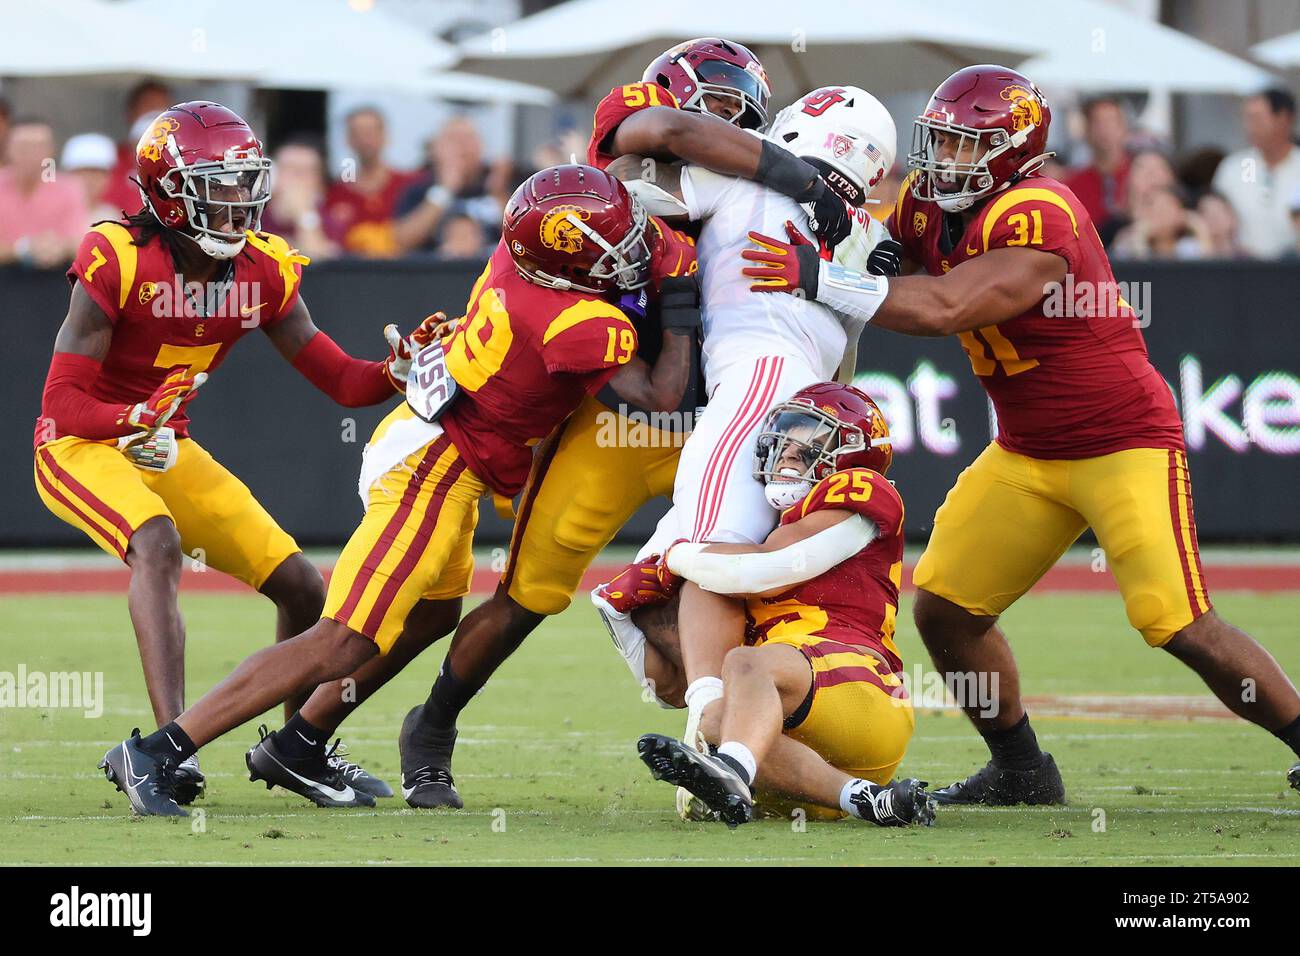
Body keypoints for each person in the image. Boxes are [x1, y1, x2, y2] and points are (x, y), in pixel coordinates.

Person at [743, 64, 1300, 803]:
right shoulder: (927, 204)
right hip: (1030, 452)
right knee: (946, 605)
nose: (945, 161)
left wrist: (817, 277)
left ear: (1012, 153)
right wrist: (851, 237)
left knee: (1179, 622)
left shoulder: (1041, 212)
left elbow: (945, 305)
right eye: (939, 143)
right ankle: (1022, 770)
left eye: (966, 147)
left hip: (1121, 443)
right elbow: (892, 259)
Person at [98, 163, 700, 817]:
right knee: (342, 639)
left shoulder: (517, 253)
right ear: (565, 266)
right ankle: (158, 750)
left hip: (438, 443)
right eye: (616, 246)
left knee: (434, 615)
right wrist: (686, 301)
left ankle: (300, 743)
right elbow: (663, 393)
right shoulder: (575, 321)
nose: (637, 249)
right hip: (434, 465)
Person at [387, 41, 881, 811]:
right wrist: (794, 174)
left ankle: (736, 740)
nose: (722, 127)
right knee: (531, 591)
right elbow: (672, 137)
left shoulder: (776, 196)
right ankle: (434, 726)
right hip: (619, 420)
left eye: (739, 118)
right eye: (711, 106)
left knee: (718, 574)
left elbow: (844, 330)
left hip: (710, 412)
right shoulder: (640, 147)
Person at [37, 101, 424, 809]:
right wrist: (131, 417)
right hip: (82, 444)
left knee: (306, 587)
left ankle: (295, 749)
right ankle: (163, 752)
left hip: (163, 445)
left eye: (245, 181)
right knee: (155, 545)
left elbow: (341, 379)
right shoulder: (118, 256)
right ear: (167, 191)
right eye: (216, 184)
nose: (237, 199)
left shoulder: (265, 269)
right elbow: (61, 402)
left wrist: (397, 372)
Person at [586, 85, 900, 795]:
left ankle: (715, 731)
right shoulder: (866, 232)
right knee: (706, 576)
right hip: (807, 411)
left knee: (695, 561)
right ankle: (763, 744)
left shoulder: (751, 178)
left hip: (757, 382)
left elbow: (633, 173)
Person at [630, 383, 934, 828]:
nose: (789, 454)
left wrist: (672, 556)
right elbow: (664, 687)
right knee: (715, 718)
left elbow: (769, 566)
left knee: (746, 665)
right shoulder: (757, 532)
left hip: (860, 693)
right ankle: (866, 798)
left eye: (808, 442)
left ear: (853, 450)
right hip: (793, 759)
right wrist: (632, 611)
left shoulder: (861, 487)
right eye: (783, 443)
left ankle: (730, 770)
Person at [1211, 88, 1300, 258]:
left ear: (1284, 119)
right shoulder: (1240, 166)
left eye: (1257, 118)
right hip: (1243, 272)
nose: (1250, 127)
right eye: (1247, 118)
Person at [324, 106, 417, 257]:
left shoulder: (409, 184)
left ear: (385, 136)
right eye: (357, 133)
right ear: (348, 139)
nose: (365, 140)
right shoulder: (335, 192)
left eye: (371, 132)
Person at [0, 118, 87, 267]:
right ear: (8, 149)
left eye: (39, 146)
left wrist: (60, 246)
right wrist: (23, 248)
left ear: (51, 150)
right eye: (23, 146)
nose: (31, 154)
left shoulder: (68, 188)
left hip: (57, 271)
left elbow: (80, 241)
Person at [260, 137, 340, 260]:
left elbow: (316, 259)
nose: (297, 178)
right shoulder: (256, 216)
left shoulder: (331, 218)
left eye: (305, 171)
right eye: (290, 169)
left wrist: (304, 215)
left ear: (319, 181)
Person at [1063, 96, 1131, 235]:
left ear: (1123, 128)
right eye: (1097, 123)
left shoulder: (1140, 177)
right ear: (1087, 130)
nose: (1104, 130)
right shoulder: (1071, 186)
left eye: (1111, 122)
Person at [61, 132, 120, 226]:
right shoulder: (54, 214)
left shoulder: (112, 216)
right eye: (82, 173)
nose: (90, 180)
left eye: (96, 173)